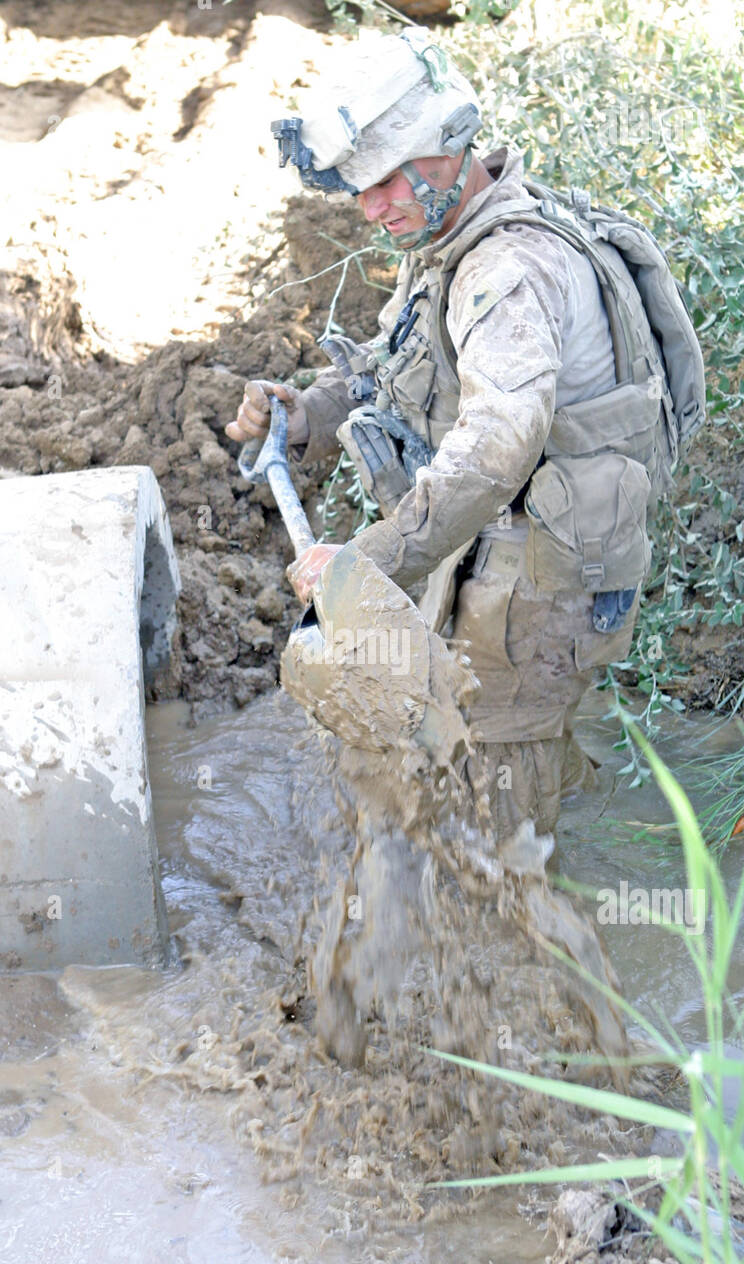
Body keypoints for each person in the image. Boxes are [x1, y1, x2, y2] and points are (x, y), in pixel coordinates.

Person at [226, 26, 655, 841]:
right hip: (492, 553)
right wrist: (306, 411)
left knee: (496, 826)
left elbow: (500, 441)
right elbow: (399, 361)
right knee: (487, 784)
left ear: (448, 147)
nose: (370, 208)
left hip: (536, 591)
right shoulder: (450, 235)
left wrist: (366, 564)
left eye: (386, 181)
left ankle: (540, 951)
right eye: (359, 189)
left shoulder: (507, 270)